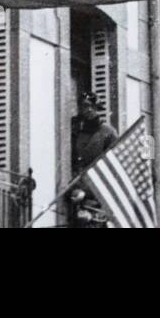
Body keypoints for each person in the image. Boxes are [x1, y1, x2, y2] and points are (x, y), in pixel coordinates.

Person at [69, 92, 118, 226]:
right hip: (79, 185)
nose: (89, 110)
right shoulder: (76, 131)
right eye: (85, 106)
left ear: (98, 109)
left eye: (93, 106)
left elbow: (114, 161)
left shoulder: (108, 132)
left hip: (99, 185)